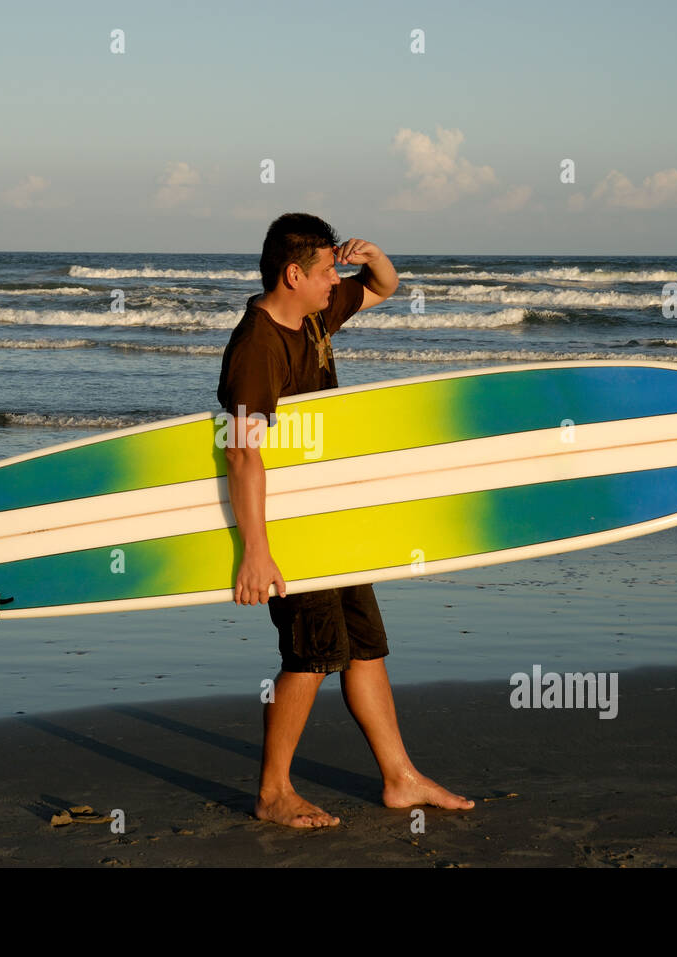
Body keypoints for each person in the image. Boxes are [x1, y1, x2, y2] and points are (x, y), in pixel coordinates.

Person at [217, 212, 475, 828]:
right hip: (288, 524)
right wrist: (257, 550)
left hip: (329, 514)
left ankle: (400, 778)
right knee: (311, 654)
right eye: (330, 270)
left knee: (363, 647)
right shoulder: (257, 347)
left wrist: (371, 254)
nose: (339, 279)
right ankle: (273, 792)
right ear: (293, 273)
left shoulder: (313, 315)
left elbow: (384, 285)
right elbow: (241, 450)